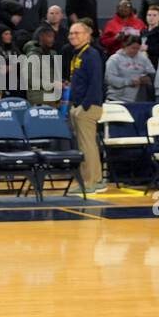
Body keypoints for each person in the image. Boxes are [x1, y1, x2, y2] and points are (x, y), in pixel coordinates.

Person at [65, 20, 105, 193]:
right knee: (86, 145)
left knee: (87, 146)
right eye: (71, 33)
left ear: (87, 35)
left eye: (77, 33)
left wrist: (85, 106)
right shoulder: (78, 54)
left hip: (88, 107)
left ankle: (90, 182)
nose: (72, 36)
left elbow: (95, 82)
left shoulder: (91, 54)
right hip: (80, 105)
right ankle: (93, 180)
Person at [22, 23, 64, 106]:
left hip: (52, 99)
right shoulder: (33, 56)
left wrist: (61, 82)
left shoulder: (51, 54)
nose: (52, 39)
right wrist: (53, 84)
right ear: (41, 37)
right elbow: (31, 80)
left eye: (53, 37)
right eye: (49, 36)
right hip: (39, 100)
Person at [105, 33, 156, 102]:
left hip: (138, 100)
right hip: (116, 99)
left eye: (137, 48)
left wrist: (145, 78)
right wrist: (130, 82)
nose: (135, 51)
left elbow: (152, 73)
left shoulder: (143, 58)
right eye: (133, 48)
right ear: (125, 46)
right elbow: (110, 79)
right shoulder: (114, 59)